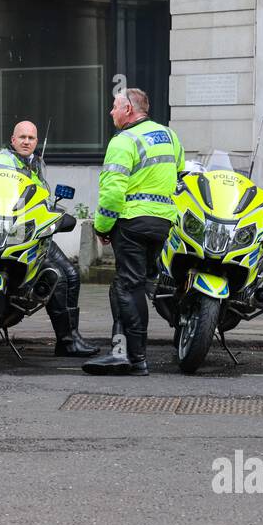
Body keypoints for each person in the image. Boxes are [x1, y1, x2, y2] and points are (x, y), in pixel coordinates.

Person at [83, 88, 183, 376]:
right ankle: (122, 349)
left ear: (128, 109)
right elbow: (178, 173)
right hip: (162, 223)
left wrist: (103, 226)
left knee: (128, 287)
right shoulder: (169, 135)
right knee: (142, 283)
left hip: (132, 223)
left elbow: (113, 193)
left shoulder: (123, 141)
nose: (111, 112)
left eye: (115, 107)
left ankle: (136, 358)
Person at [0, 121, 98, 357]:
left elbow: (40, 197)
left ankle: (70, 338)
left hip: (34, 232)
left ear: (37, 142)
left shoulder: (36, 163)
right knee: (57, 277)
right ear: (13, 139)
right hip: (11, 234)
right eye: (22, 137)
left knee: (71, 273)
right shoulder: (4, 161)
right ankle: (67, 341)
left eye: (31, 138)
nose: (27, 141)